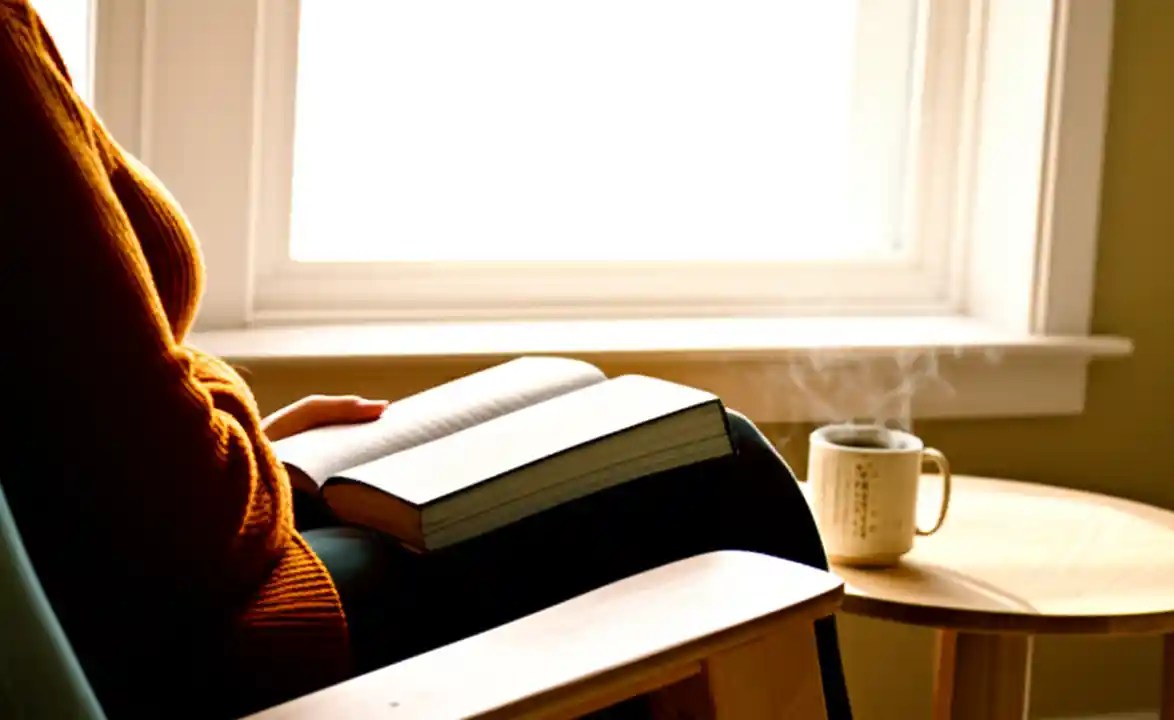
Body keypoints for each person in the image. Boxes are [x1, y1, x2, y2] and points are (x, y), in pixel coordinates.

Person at [0, 2, 851, 717]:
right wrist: (220, 416)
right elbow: (190, 515)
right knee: (719, 464)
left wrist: (231, 436)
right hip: (200, 653)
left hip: (136, 597)